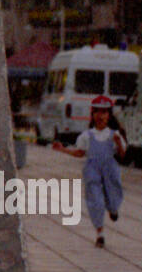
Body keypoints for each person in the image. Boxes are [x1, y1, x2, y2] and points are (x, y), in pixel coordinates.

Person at [54, 95, 125, 248]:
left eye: (104, 112)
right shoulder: (86, 136)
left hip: (110, 170)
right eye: (97, 112)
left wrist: (119, 144)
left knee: (113, 196)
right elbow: (80, 152)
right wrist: (63, 150)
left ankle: (113, 209)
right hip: (92, 170)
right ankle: (100, 233)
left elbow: (122, 154)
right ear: (92, 114)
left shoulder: (114, 135)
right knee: (95, 201)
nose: (100, 116)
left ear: (109, 115)